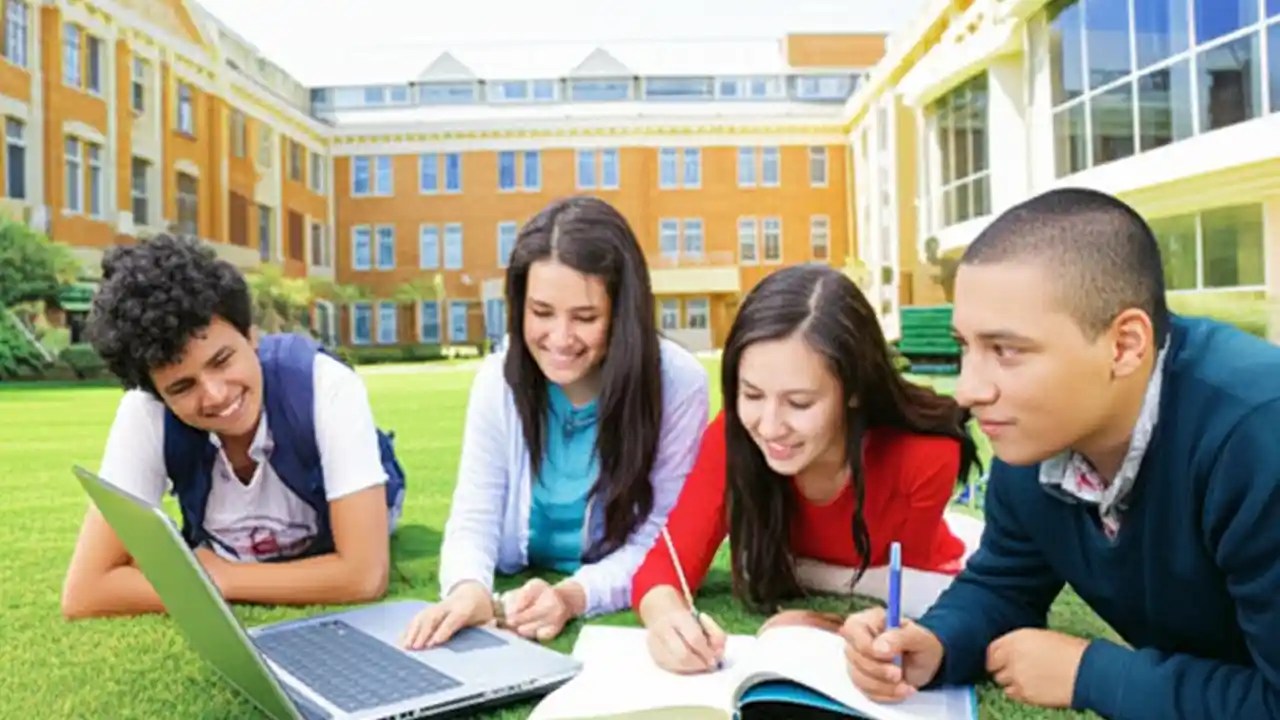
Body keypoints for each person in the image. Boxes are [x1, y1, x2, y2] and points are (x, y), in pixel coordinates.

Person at [842, 188, 1280, 720]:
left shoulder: (1258, 439)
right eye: (964, 347)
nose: (969, 390)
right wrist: (937, 643)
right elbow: (1006, 582)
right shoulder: (1038, 438)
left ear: (1124, 345)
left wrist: (1091, 674)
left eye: (1006, 350)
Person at [631, 263, 982, 674]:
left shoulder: (924, 456)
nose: (770, 426)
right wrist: (667, 617)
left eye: (799, 403)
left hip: (936, 574)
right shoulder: (735, 437)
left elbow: (906, 604)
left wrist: (816, 618)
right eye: (752, 395)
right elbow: (664, 566)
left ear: (854, 390)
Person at [401, 196, 709, 649]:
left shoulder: (678, 383)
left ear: (622, 315)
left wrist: (571, 597)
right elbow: (474, 515)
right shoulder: (498, 378)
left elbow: (660, 540)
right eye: (542, 312)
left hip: (598, 584)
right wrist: (468, 590)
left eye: (585, 317)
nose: (560, 339)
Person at [61, 234, 406, 619]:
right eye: (182, 387)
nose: (215, 395)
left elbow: (364, 575)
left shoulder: (324, 383)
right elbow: (87, 592)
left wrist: (219, 579)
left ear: (251, 337)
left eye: (222, 360)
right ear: (157, 394)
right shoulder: (146, 411)